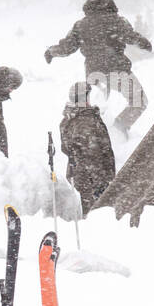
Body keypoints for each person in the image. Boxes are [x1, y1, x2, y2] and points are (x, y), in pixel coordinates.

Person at [45, 0, 153, 134]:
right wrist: (144, 43)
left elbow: (67, 47)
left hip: (93, 73)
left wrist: (51, 52)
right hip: (117, 70)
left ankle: (96, 135)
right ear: (108, 2)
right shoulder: (116, 21)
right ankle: (118, 128)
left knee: (98, 107)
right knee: (139, 101)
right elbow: (131, 37)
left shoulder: (81, 25)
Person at [59, 81, 116, 215]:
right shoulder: (86, 121)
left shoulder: (69, 119)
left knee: (88, 211)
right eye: (89, 96)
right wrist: (102, 182)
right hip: (92, 179)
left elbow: (66, 148)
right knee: (97, 214)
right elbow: (93, 154)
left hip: (80, 175)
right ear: (84, 98)